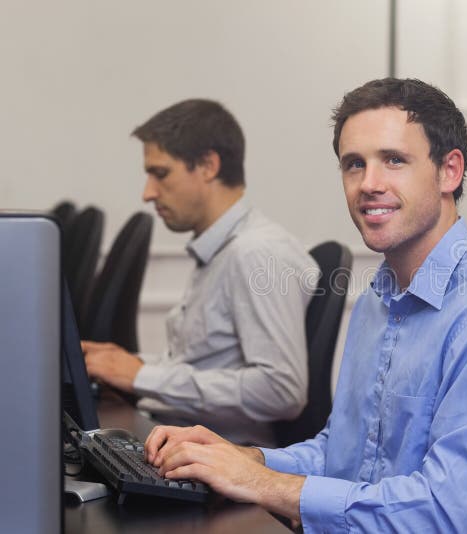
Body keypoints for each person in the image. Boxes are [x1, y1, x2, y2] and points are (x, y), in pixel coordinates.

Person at [142, 78, 467, 532]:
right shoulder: (376, 302)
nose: (369, 184)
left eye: (394, 160)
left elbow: (451, 515)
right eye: (354, 165)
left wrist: (263, 484)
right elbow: (344, 454)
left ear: (450, 171)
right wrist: (246, 459)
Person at [82, 99, 319, 446]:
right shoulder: (219, 249)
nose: (148, 193)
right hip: (183, 443)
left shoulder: (257, 253)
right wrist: (126, 364)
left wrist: (142, 376)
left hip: (219, 461)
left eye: (161, 174)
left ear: (208, 166)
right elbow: (202, 364)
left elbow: (281, 391)